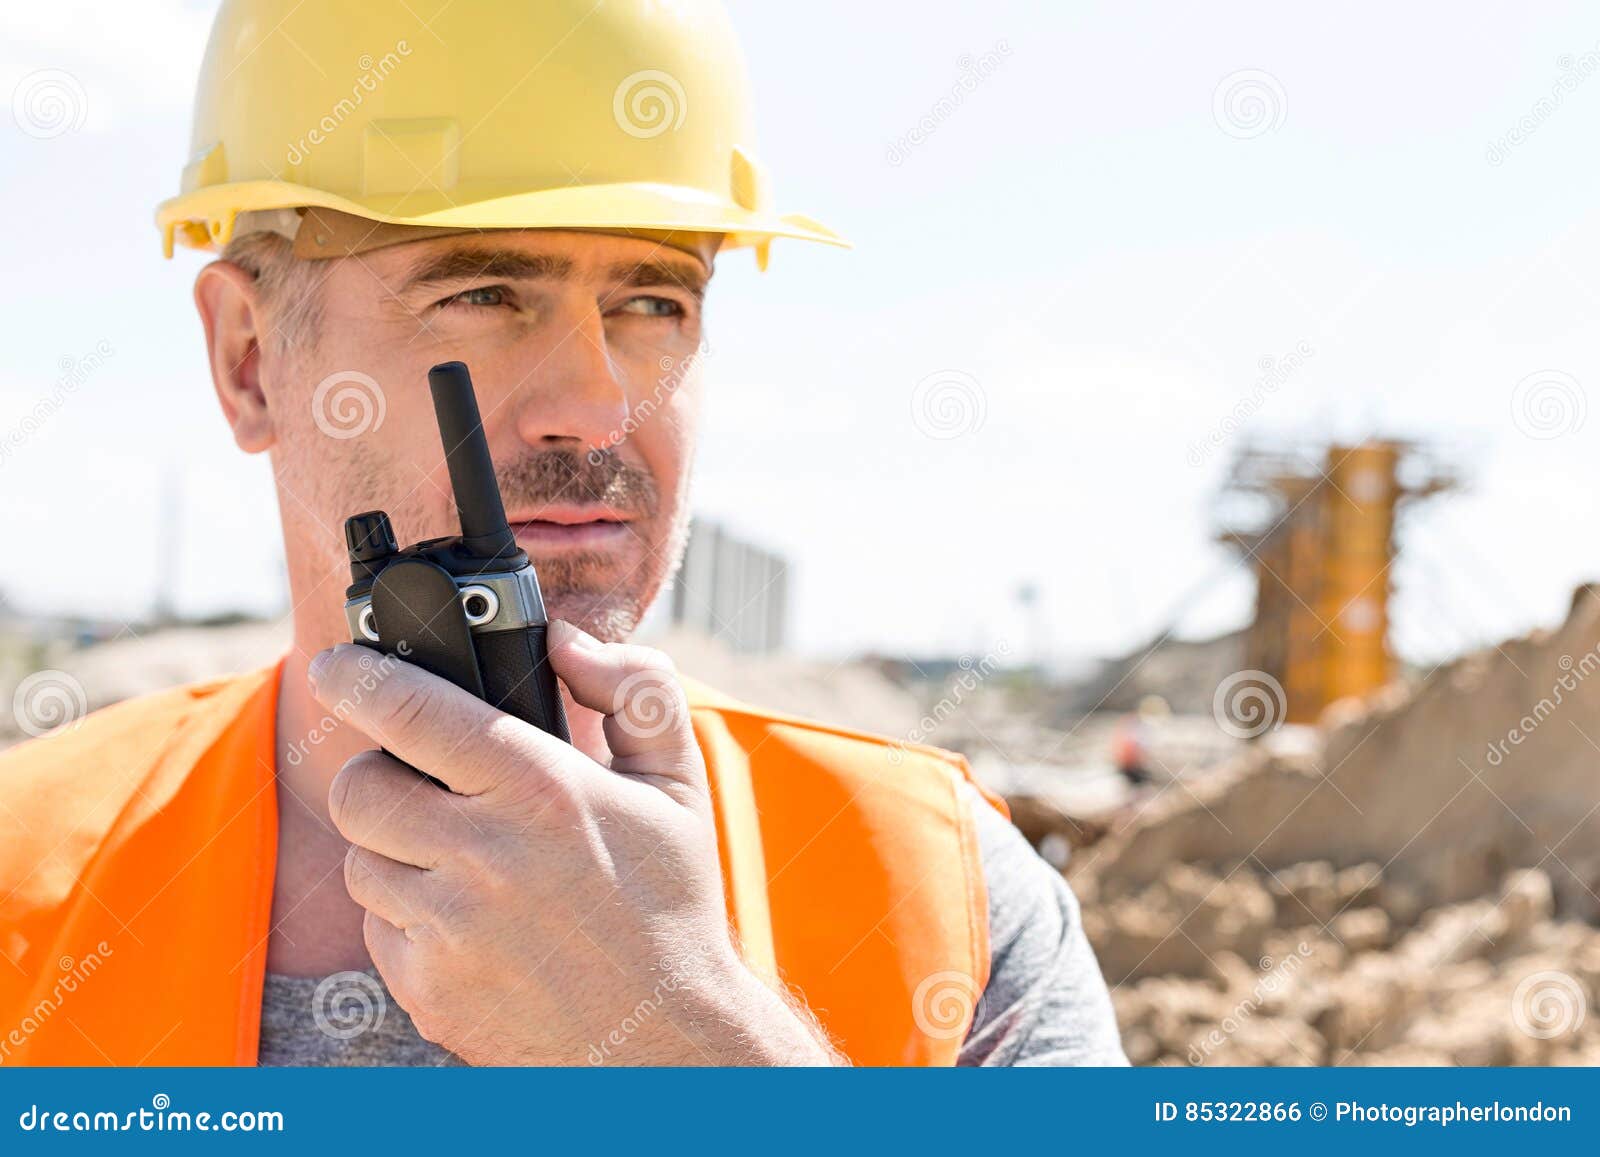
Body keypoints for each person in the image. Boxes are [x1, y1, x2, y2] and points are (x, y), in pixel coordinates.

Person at [0, 0, 1124, 1067]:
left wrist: (681, 1044)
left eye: (652, 304)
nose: (594, 406)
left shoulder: (945, 892)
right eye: (485, 293)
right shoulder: (24, 874)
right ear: (249, 360)